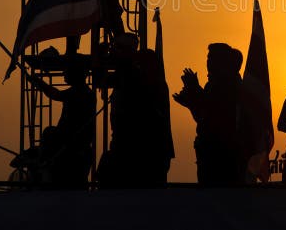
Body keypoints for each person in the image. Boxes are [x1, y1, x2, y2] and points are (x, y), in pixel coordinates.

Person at [100, 30, 174, 188]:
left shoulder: (143, 80)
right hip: (130, 147)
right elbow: (103, 81)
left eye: (120, 48)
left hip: (141, 152)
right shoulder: (131, 76)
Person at [173, 43, 247, 186]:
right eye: (208, 58)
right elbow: (202, 117)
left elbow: (212, 111)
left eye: (212, 58)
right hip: (209, 148)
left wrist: (194, 89)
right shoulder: (214, 84)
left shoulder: (228, 84)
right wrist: (191, 101)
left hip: (221, 151)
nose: (208, 62)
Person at [21, 63, 96, 188]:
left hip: (72, 141)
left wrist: (39, 83)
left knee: (48, 132)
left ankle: (41, 163)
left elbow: (56, 95)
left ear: (75, 75)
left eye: (66, 72)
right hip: (73, 140)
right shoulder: (83, 92)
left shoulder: (81, 92)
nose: (63, 74)